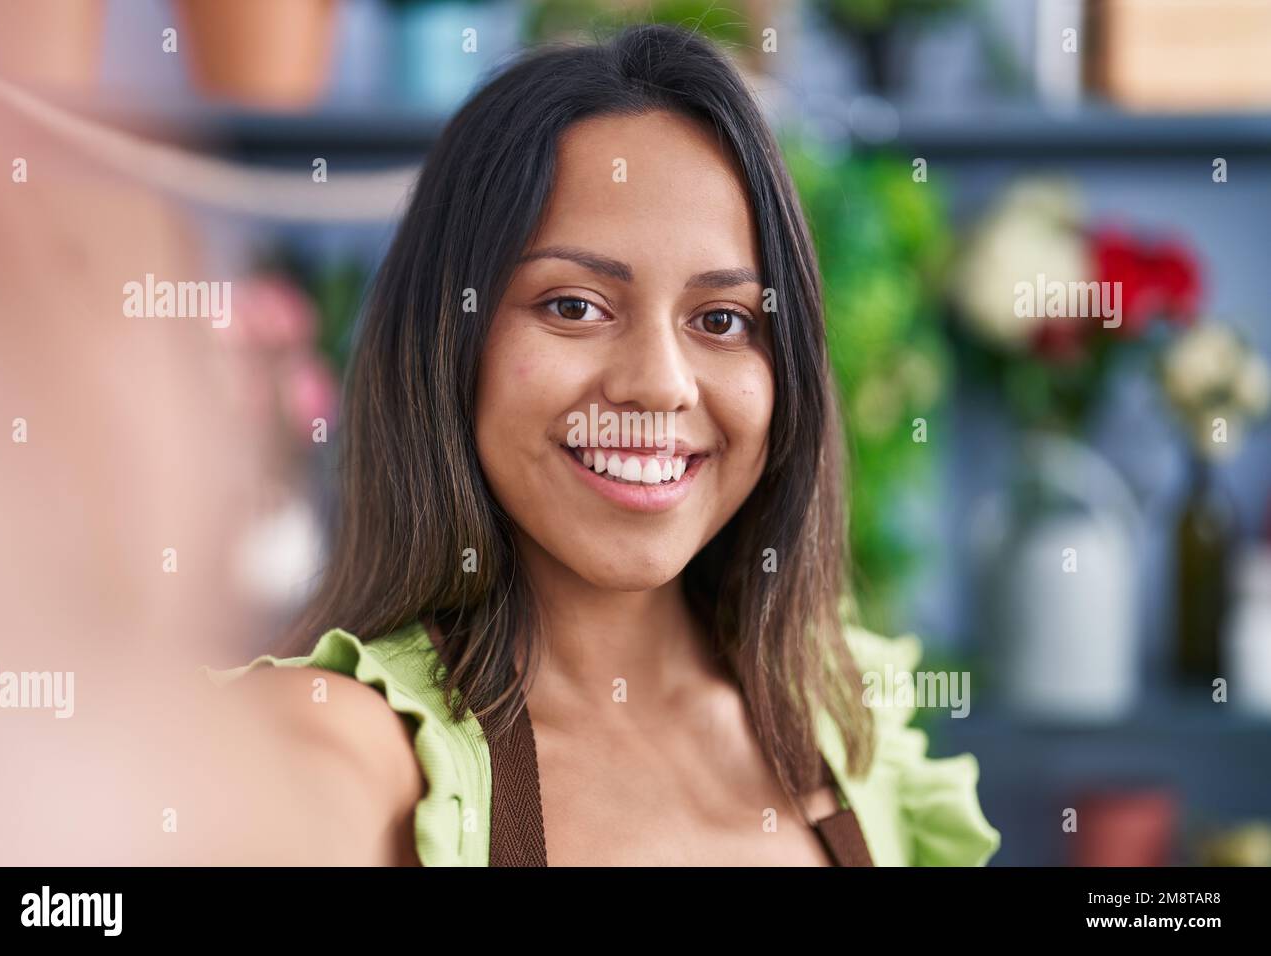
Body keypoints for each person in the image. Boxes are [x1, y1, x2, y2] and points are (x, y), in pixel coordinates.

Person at [209, 23, 1001, 867]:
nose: (659, 385)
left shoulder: (843, 721)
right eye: (575, 306)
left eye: (722, 320)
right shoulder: (337, 750)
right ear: (450, 341)